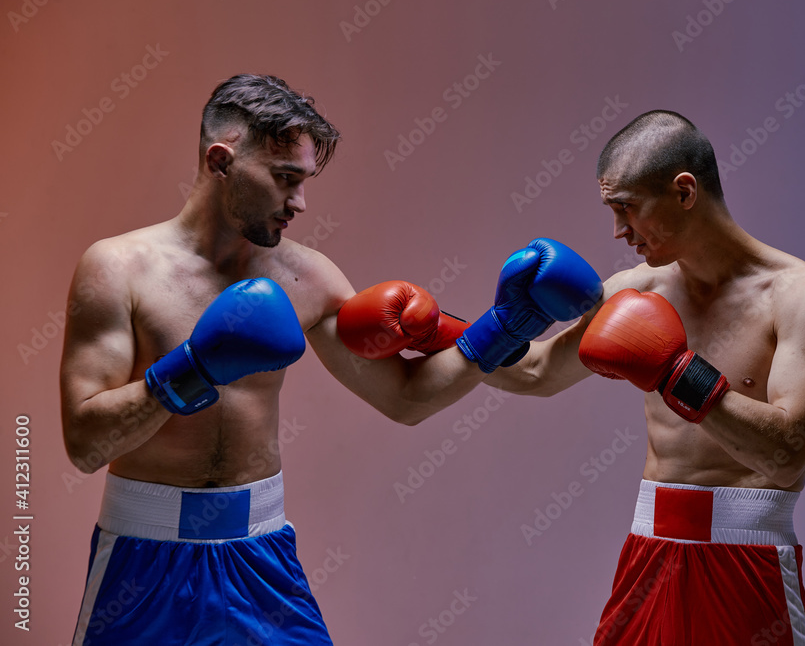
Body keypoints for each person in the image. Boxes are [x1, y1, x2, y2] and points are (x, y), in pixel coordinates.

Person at [59, 73, 602, 645]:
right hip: (145, 563)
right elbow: (86, 444)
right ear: (221, 162)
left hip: (260, 559)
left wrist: (506, 326)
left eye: (304, 182)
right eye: (284, 179)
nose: (298, 202)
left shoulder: (307, 277)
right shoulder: (118, 269)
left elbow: (406, 398)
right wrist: (191, 368)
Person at [486, 110, 805, 645]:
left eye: (626, 207)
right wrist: (465, 335)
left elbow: (786, 455)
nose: (618, 230)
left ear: (683, 192)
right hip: (649, 553)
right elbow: (536, 372)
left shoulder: (803, 296)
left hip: (747, 560)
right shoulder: (633, 291)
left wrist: (676, 370)